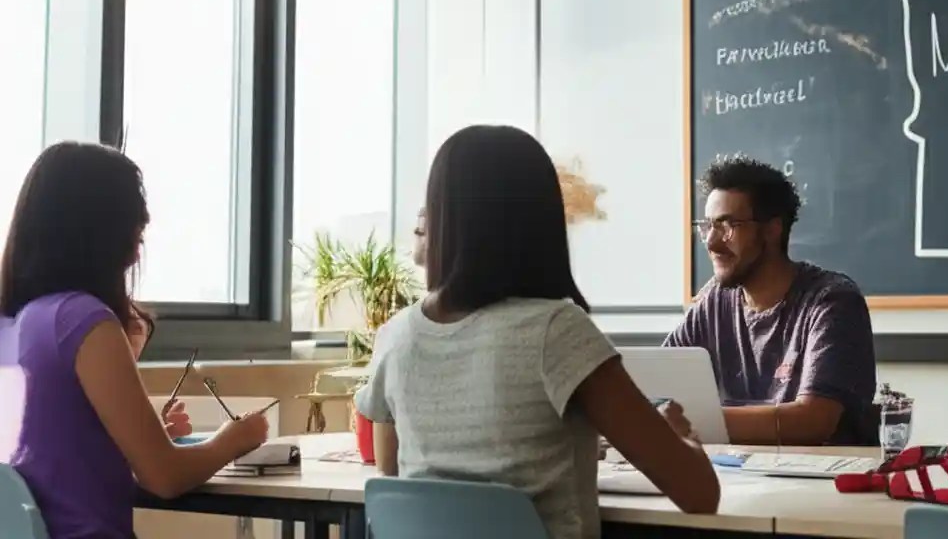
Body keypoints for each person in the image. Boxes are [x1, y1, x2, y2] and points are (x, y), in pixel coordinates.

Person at [355, 125, 719, 539]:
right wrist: (677, 437)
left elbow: (390, 474)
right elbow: (699, 494)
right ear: (540, 220)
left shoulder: (397, 336)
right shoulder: (555, 331)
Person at [0, 142, 268, 539]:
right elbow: (164, 477)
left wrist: (139, 437)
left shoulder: (16, 321)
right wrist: (232, 441)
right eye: (135, 227)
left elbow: (47, 453)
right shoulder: (82, 319)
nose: (139, 246)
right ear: (104, 231)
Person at [664, 155, 877, 446]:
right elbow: (657, 384)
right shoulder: (714, 300)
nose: (712, 243)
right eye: (707, 226)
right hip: (739, 478)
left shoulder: (831, 301)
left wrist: (688, 422)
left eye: (728, 226)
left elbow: (813, 422)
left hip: (825, 485)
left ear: (772, 229)